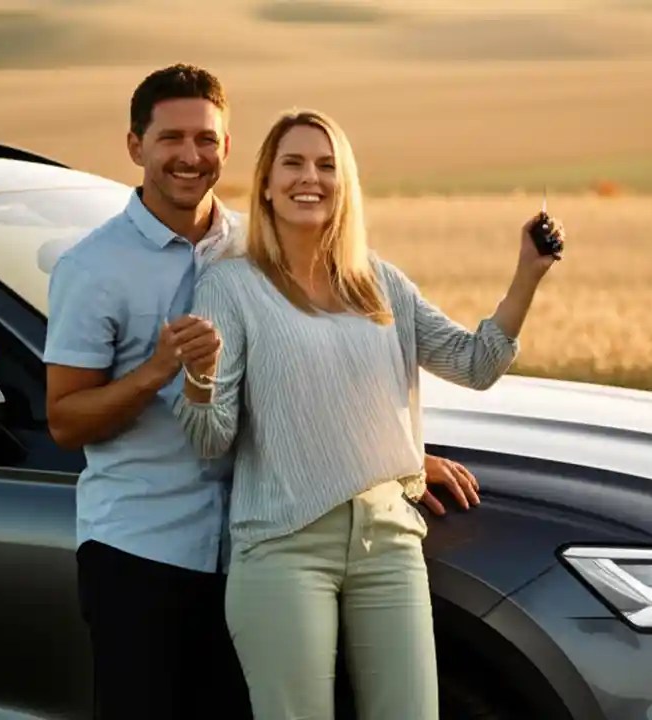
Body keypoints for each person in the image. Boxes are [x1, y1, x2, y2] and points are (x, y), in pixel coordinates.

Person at [44, 64, 489, 719]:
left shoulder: (257, 248)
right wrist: (155, 370)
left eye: (205, 139)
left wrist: (386, 458)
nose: (190, 156)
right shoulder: (94, 267)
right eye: (171, 139)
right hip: (146, 553)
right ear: (136, 147)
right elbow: (64, 421)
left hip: (263, 549)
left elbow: (305, 377)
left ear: (228, 149)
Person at [170, 109, 563, 720]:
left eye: (327, 166)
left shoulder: (379, 282)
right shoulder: (230, 286)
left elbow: (475, 363)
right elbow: (210, 438)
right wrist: (199, 375)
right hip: (283, 548)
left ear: (344, 183)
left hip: (390, 542)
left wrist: (526, 276)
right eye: (293, 163)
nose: (311, 178)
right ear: (267, 184)